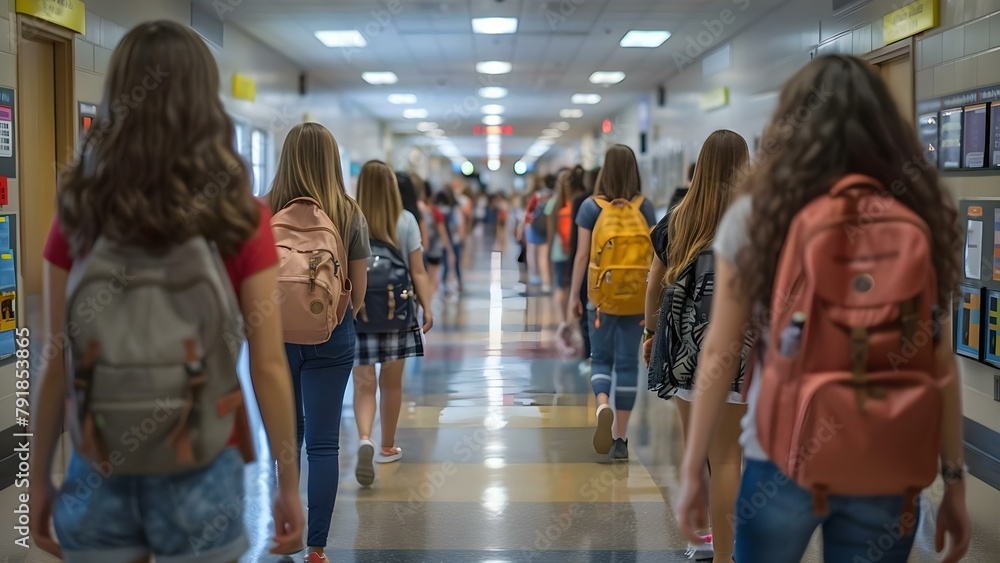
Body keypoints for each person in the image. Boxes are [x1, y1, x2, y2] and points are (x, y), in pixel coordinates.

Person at [675, 55, 970, 563]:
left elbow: (721, 351)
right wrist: (955, 479)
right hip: (887, 455)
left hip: (781, 453)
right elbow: (939, 359)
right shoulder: (917, 211)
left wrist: (691, 468)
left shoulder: (759, 212)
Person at [31, 20, 303, 562]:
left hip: (98, 454)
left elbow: (55, 358)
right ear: (206, 101)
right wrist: (287, 483)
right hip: (204, 455)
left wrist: (38, 478)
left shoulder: (80, 212)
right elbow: (268, 365)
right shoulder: (240, 215)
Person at [644, 130, 752, 563]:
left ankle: (702, 540)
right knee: (728, 458)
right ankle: (728, 556)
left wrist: (650, 334)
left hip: (685, 349)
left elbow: (653, 287)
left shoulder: (675, 219)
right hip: (740, 348)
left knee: (699, 452)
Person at [269, 122, 370, 563]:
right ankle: (317, 546)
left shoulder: (264, 209)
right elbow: (359, 293)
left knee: (287, 437)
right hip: (331, 334)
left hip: (274, 337)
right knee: (324, 443)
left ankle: (287, 530)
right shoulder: (348, 212)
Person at [567, 146, 656, 460]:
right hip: (635, 299)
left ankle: (602, 403)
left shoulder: (591, 208)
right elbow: (655, 259)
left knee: (601, 359)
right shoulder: (645, 208)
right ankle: (620, 437)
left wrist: (572, 300)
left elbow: (580, 256)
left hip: (600, 300)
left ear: (604, 170)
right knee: (628, 364)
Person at [353, 162, 434, 486]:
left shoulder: (350, 218)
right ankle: (387, 446)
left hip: (359, 313)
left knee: (363, 384)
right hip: (397, 313)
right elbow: (418, 270)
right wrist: (427, 306)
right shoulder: (406, 220)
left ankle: (364, 439)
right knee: (391, 384)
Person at [548, 166, 587, 345]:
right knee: (574, 289)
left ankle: (562, 322)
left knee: (559, 288)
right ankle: (573, 325)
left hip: (558, 251)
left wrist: (549, 251)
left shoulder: (554, 203)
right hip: (573, 250)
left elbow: (551, 231)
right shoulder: (580, 202)